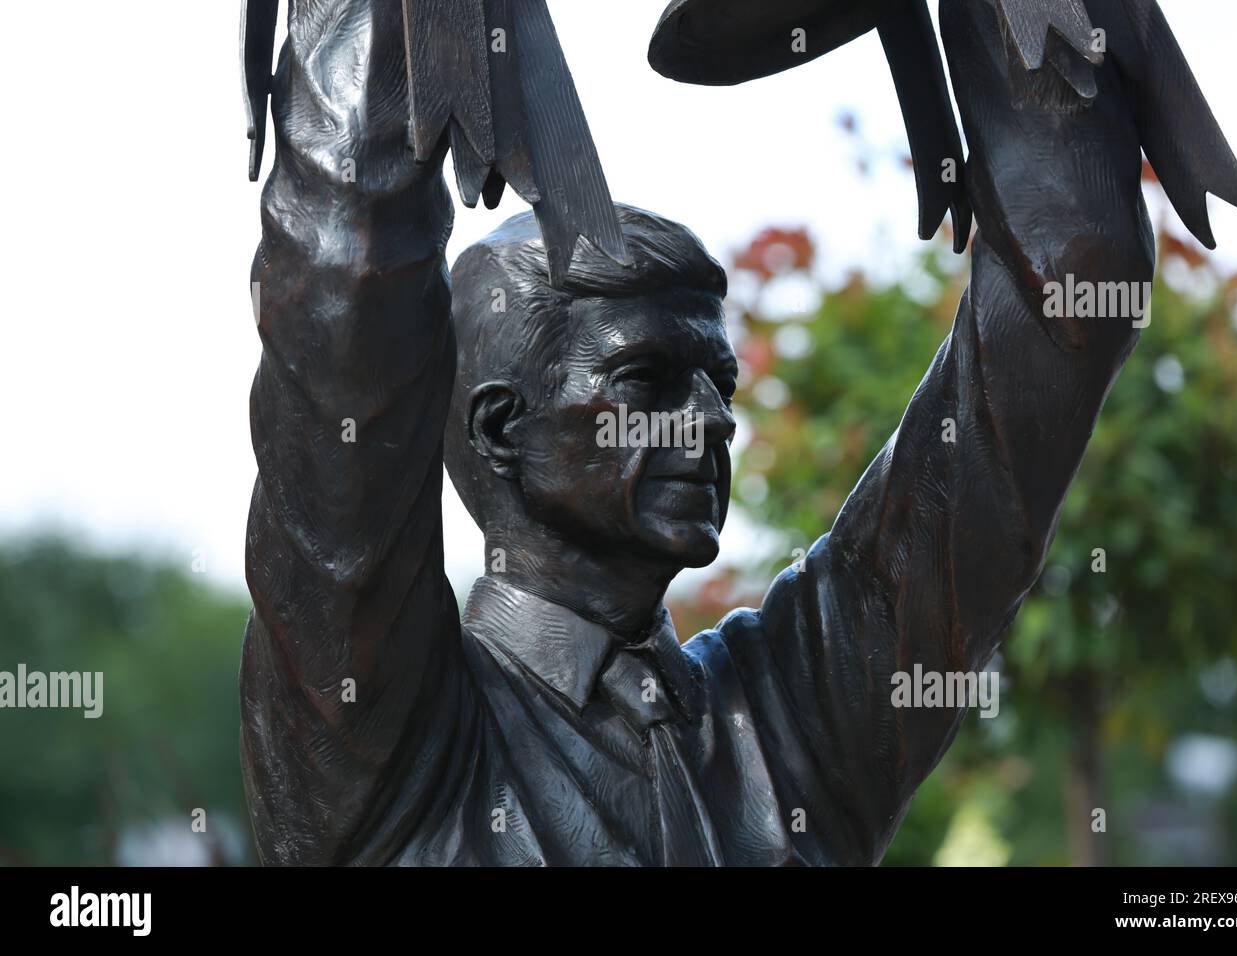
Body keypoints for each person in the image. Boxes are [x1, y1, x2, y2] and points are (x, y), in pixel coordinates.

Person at [240, 0, 1154, 864]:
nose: (712, 419)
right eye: (647, 380)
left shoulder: (797, 719)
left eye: (719, 382)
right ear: (501, 428)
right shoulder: (382, 739)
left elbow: (1068, 288)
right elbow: (341, 275)